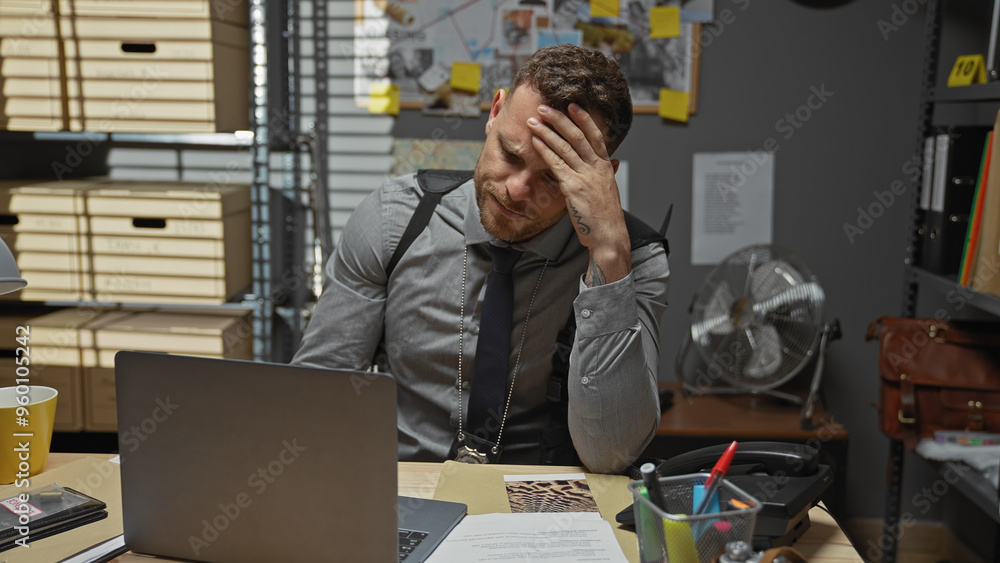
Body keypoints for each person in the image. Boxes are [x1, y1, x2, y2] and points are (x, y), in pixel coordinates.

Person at [292, 44, 669, 474]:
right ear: (494, 112)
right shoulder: (393, 221)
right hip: (402, 488)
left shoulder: (635, 259)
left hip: (540, 499)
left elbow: (612, 453)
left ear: (600, 178)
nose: (517, 190)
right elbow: (315, 403)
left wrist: (608, 257)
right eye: (509, 155)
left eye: (552, 178)